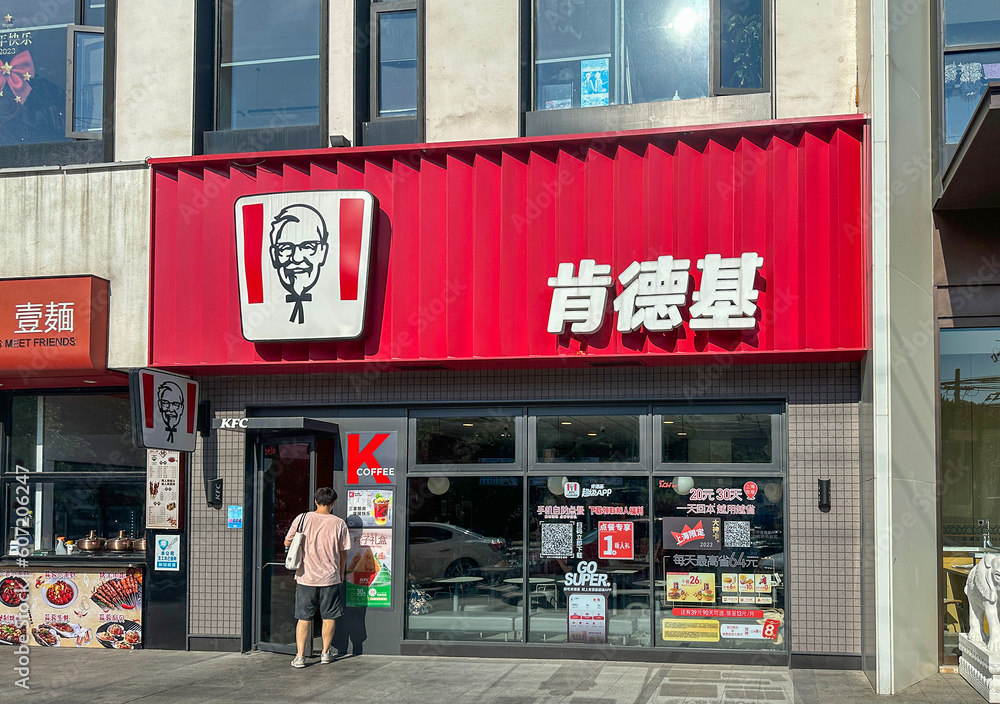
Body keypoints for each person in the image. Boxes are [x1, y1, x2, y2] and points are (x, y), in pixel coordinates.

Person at [283, 487, 351, 668]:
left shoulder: (302, 518)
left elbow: (287, 541)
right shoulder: (339, 524)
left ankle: (300, 656)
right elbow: (343, 552)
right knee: (329, 617)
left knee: (304, 618)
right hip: (330, 577)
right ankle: (325, 653)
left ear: (316, 501)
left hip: (306, 577)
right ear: (333, 503)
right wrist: (341, 572)